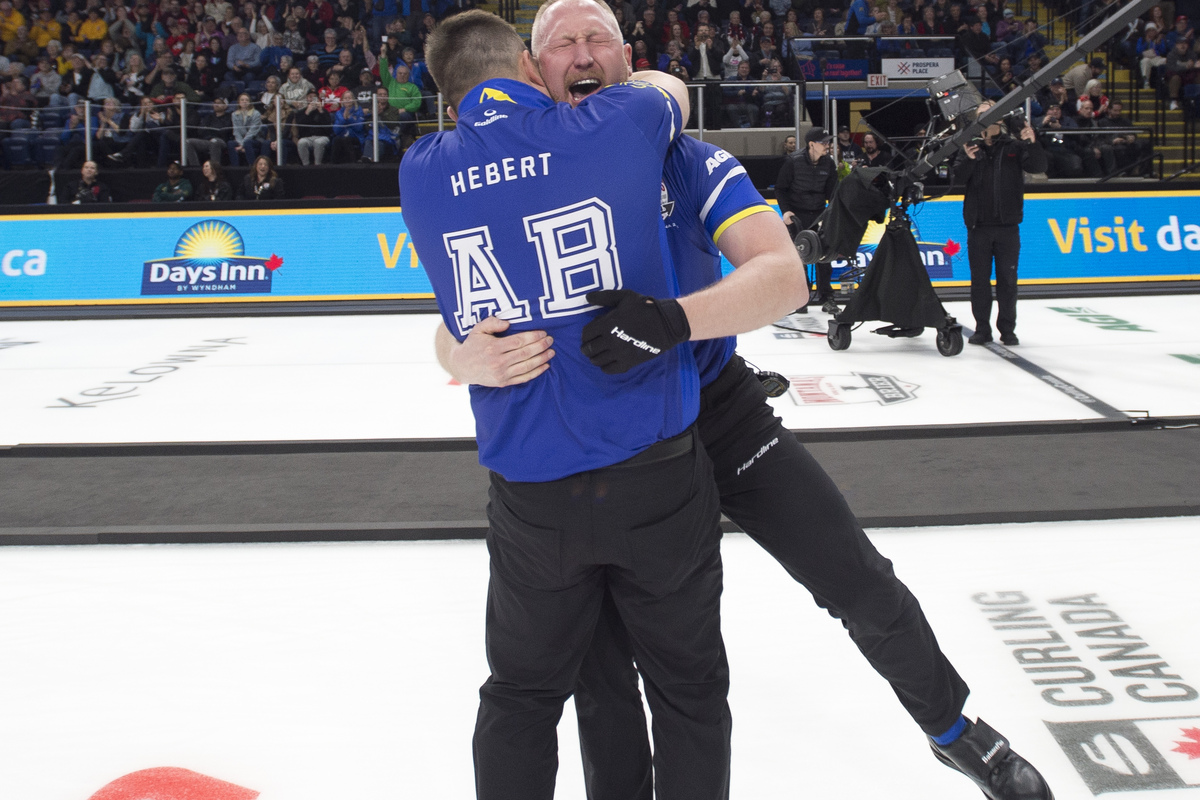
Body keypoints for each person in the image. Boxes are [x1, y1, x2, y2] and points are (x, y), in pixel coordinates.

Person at [436, 6, 1058, 800]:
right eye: (565, 42)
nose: (583, 54)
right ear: (532, 67)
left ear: (626, 59)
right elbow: (457, 308)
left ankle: (956, 731)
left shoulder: (682, 158)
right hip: (609, 437)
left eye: (598, 39)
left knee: (855, 578)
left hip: (713, 402)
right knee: (603, 675)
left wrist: (675, 321)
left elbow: (783, 275)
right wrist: (458, 352)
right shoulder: (510, 170)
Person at [403, 7, 805, 800]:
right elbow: (664, 89)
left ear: (447, 98)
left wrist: (451, 352)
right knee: (687, 692)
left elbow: (461, 306)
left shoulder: (420, 170)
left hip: (531, 491)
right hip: (651, 467)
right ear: (527, 64)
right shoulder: (614, 125)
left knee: (521, 695)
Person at [959, 101, 1047, 346]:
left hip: (1008, 227)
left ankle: (1007, 329)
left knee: (1008, 281)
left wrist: (1033, 143)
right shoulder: (969, 147)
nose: (986, 119)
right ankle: (982, 328)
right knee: (979, 281)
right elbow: (955, 179)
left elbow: (1038, 166)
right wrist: (967, 160)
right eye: (981, 115)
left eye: (990, 113)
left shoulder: (1014, 147)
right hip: (978, 227)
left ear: (1000, 119)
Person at [775, 126, 838, 313]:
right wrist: (786, 211)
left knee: (824, 257)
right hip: (797, 214)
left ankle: (827, 297)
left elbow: (833, 192)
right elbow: (780, 188)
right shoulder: (793, 162)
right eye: (823, 142)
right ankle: (801, 298)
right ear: (812, 144)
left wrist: (830, 213)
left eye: (828, 142)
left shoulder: (829, 164)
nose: (827, 145)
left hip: (819, 213)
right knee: (798, 258)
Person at [292, 89, 331, 163]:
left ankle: (317, 165)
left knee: (318, 142)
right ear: (307, 98)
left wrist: (321, 112)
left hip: (322, 136)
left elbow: (328, 127)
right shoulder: (301, 112)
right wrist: (307, 112)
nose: (312, 99)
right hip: (306, 137)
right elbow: (300, 127)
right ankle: (306, 165)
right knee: (301, 143)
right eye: (310, 97)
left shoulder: (324, 111)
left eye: (314, 97)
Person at [227, 91, 262, 165]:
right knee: (230, 143)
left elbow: (252, 132)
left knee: (247, 143)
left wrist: (242, 144)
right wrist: (240, 144)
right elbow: (236, 131)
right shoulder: (234, 114)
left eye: (246, 100)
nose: (244, 102)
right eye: (242, 100)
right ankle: (235, 168)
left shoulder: (256, 113)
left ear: (250, 102)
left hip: (254, 139)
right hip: (240, 140)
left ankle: (252, 166)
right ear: (239, 102)